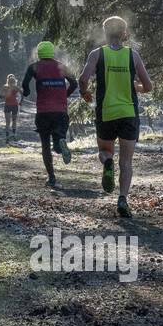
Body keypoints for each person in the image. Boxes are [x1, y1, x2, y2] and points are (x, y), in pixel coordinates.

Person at [79, 15, 152, 218]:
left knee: (104, 151)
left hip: (106, 112)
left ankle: (108, 163)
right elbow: (148, 86)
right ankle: (122, 199)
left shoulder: (97, 54)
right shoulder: (133, 56)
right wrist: (133, 86)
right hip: (129, 113)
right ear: (124, 33)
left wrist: (85, 93)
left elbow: (83, 79)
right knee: (127, 162)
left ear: (105, 32)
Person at [21, 41, 77, 187]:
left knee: (45, 145)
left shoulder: (34, 67)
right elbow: (74, 83)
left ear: (39, 53)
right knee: (59, 137)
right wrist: (64, 95)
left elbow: (25, 85)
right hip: (60, 111)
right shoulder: (61, 66)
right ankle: (60, 145)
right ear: (52, 53)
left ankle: (51, 177)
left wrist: (26, 92)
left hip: (43, 112)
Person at [0, 75, 21, 141]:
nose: (11, 83)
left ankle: (10, 134)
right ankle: (10, 134)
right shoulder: (6, 87)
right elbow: (0, 95)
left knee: (10, 121)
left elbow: (22, 94)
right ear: (8, 81)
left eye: (12, 82)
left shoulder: (13, 87)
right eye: (10, 82)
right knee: (11, 121)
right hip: (11, 105)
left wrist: (3, 96)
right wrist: (3, 96)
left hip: (11, 105)